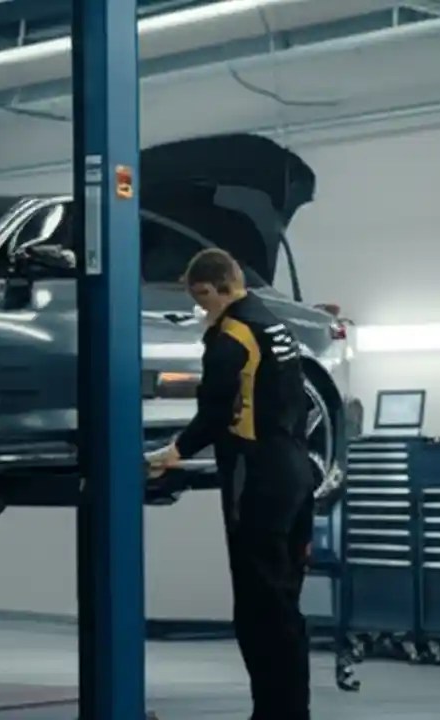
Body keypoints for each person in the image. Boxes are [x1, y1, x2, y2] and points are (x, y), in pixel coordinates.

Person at [145, 248, 316, 720]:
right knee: (285, 603)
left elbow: (216, 411)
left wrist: (175, 452)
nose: (201, 309)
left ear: (213, 288)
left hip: (256, 479)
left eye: (201, 299)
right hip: (297, 475)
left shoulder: (231, 335)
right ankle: (292, 712)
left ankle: (271, 713)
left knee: (258, 608)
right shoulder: (277, 326)